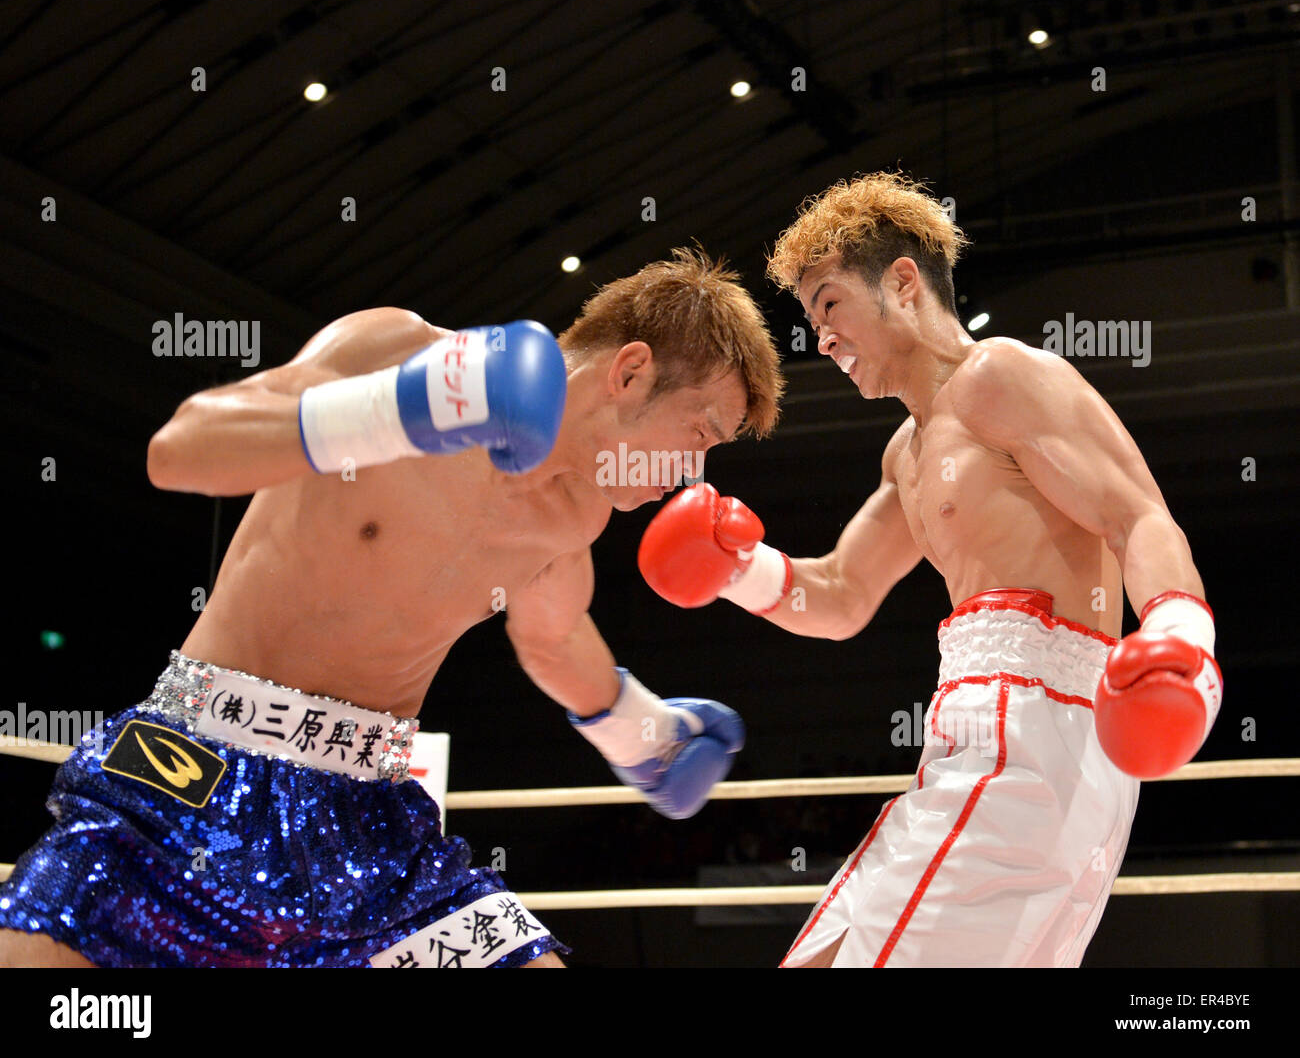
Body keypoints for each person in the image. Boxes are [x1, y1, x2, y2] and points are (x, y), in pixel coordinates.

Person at [0, 248, 783, 967]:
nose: (690, 474)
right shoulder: (402, 355)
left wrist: (650, 735)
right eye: (700, 433)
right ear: (631, 370)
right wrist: (399, 409)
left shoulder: (576, 516)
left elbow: (552, 638)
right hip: (195, 773)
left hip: (369, 826)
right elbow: (179, 448)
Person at [637, 174, 1222, 967]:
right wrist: (733, 566)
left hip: (1038, 737)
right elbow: (841, 595)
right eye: (811, 319)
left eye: (831, 304)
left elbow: (1137, 516)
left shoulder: (1003, 377)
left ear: (903, 283)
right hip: (970, 742)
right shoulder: (905, 455)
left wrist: (1183, 642)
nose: (822, 337)